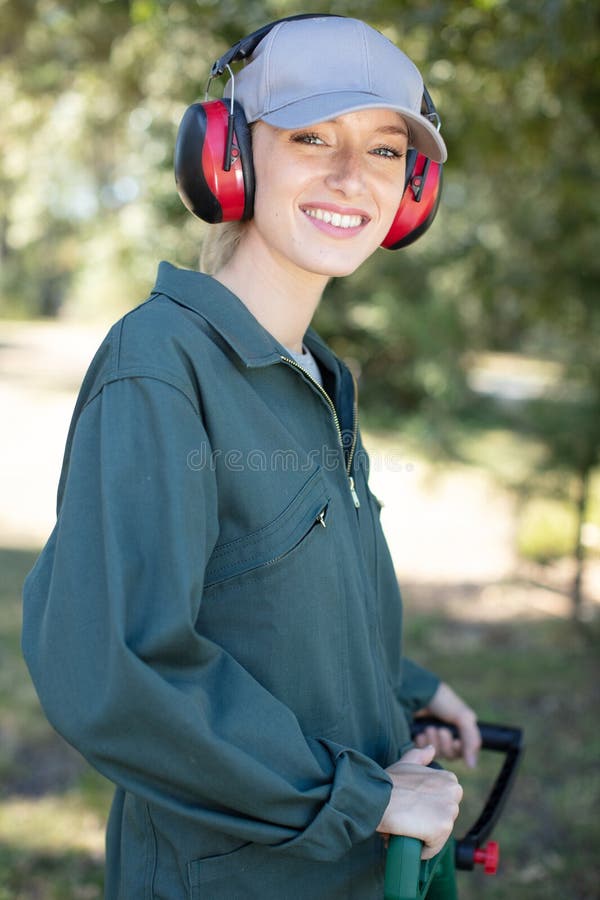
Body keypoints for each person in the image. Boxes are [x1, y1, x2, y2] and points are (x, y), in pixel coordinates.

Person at [22, 14, 480, 899]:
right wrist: (367, 794)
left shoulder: (313, 375)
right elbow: (116, 668)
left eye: (386, 151)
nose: (353, 177)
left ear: (412, 191)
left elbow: (276, 603)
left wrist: (406, 691)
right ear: (228, 155)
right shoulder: (160, 366)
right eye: (312, 136)